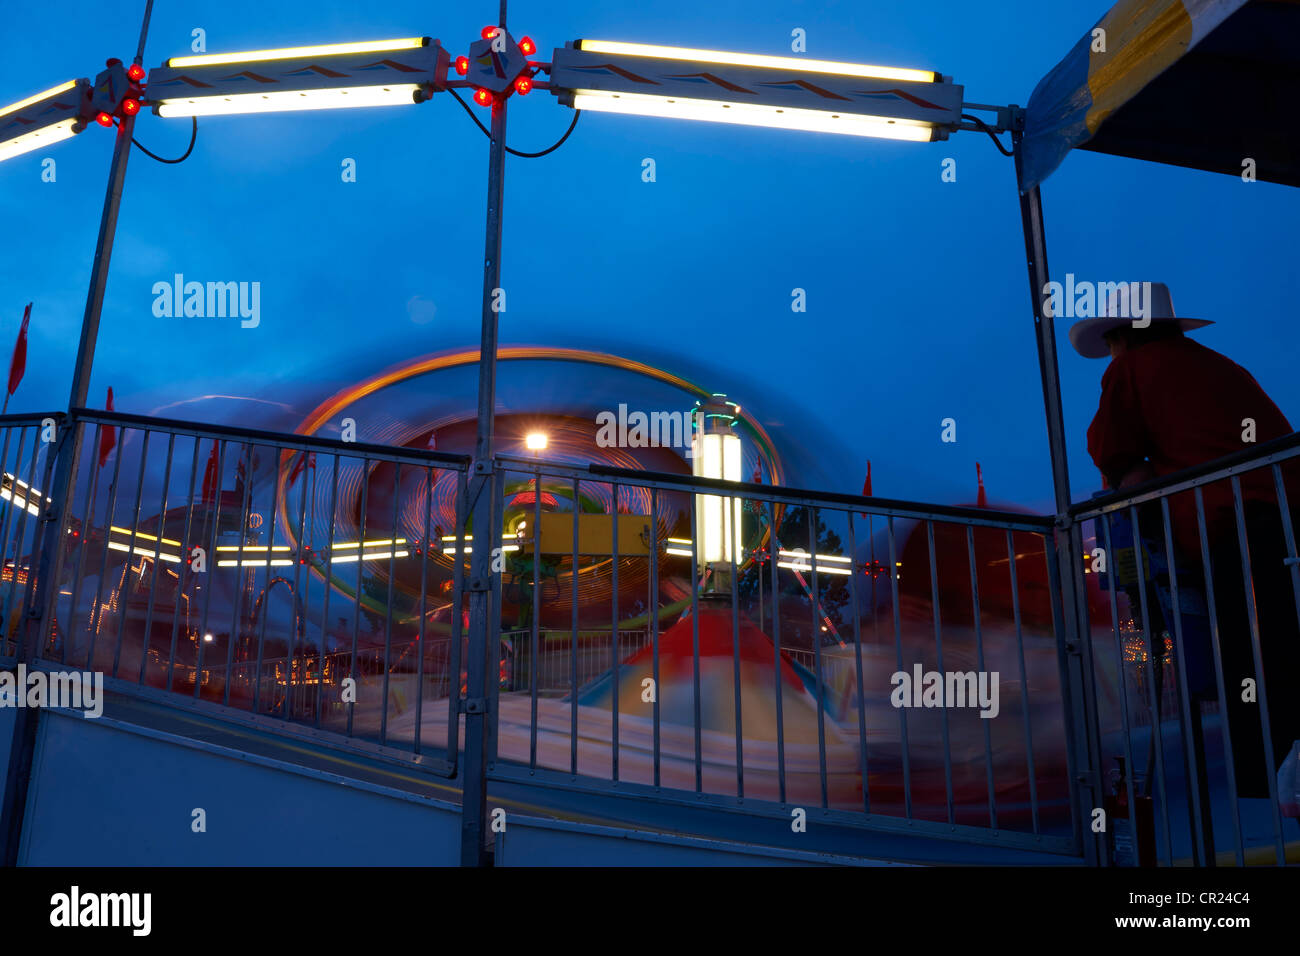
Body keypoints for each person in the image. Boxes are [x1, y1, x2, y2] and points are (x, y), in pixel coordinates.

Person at [1073, 282, 1300, 799]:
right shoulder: (1223, 366)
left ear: (1122, 336)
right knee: (1286, 641)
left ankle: (1264, 777)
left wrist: (1140, 496)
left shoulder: (1130, 370)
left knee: (1240, 648)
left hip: (1225, 522)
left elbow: (1111, 448)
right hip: (1287, 514)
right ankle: (1290, 762)